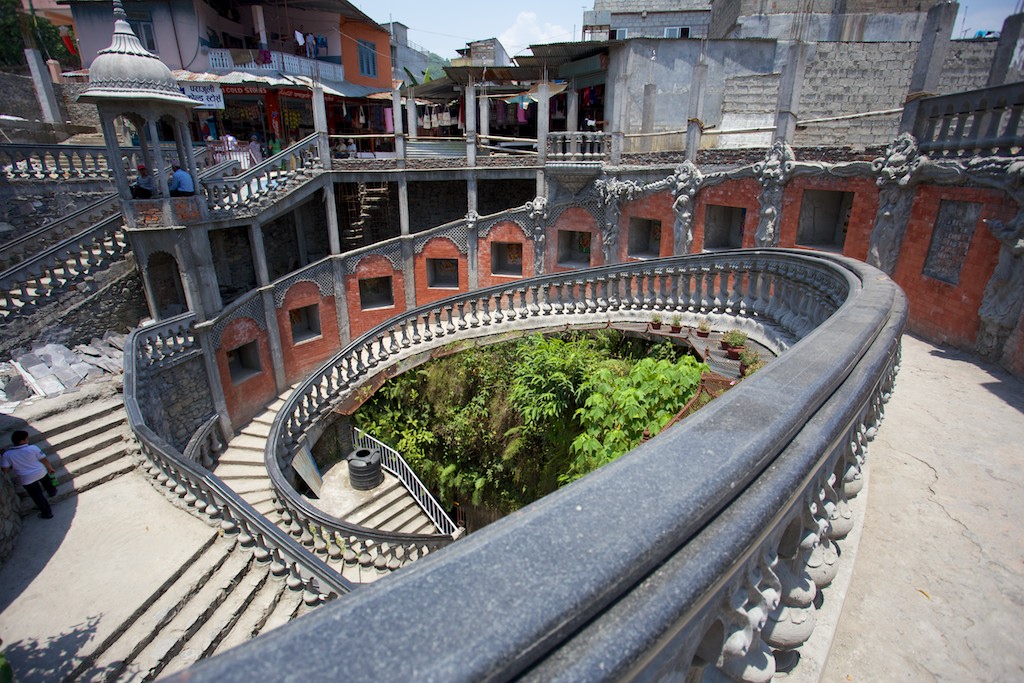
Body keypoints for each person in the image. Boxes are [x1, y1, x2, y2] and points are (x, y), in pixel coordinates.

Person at [2, 430, 57, 519]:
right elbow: (43, 459)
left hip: (26, 478)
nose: (28, 440)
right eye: (27, 438)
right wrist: (50, 468)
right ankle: (52, 492)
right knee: (47, 483)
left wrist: (13, 466)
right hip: (40, 471)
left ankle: (47, 513)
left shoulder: (7, 455)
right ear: (22, 441)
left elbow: (4, 469)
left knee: (37, 496)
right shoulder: (33, 448)